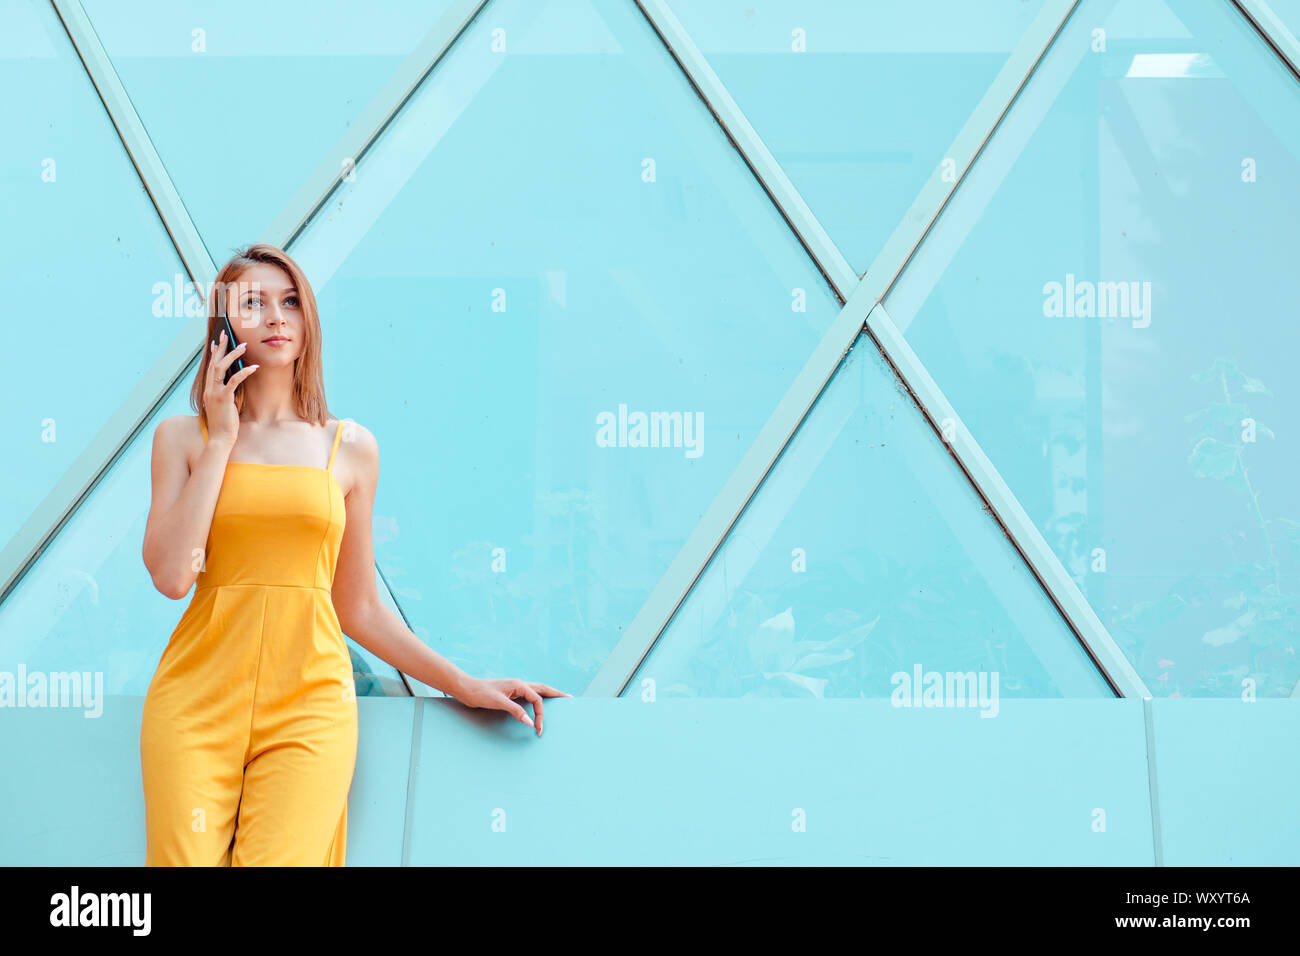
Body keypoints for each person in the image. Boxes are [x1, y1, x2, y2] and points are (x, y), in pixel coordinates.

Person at [139, 243, 569, 866]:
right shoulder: (182, 439)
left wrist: (463, 683)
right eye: (254, 304)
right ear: (224, 328)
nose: (278, 317)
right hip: (194, 703)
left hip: (308, 707)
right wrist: (222, 437)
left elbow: (359, 607)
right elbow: (174, 575)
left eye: (291, 302)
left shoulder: (350, 447)